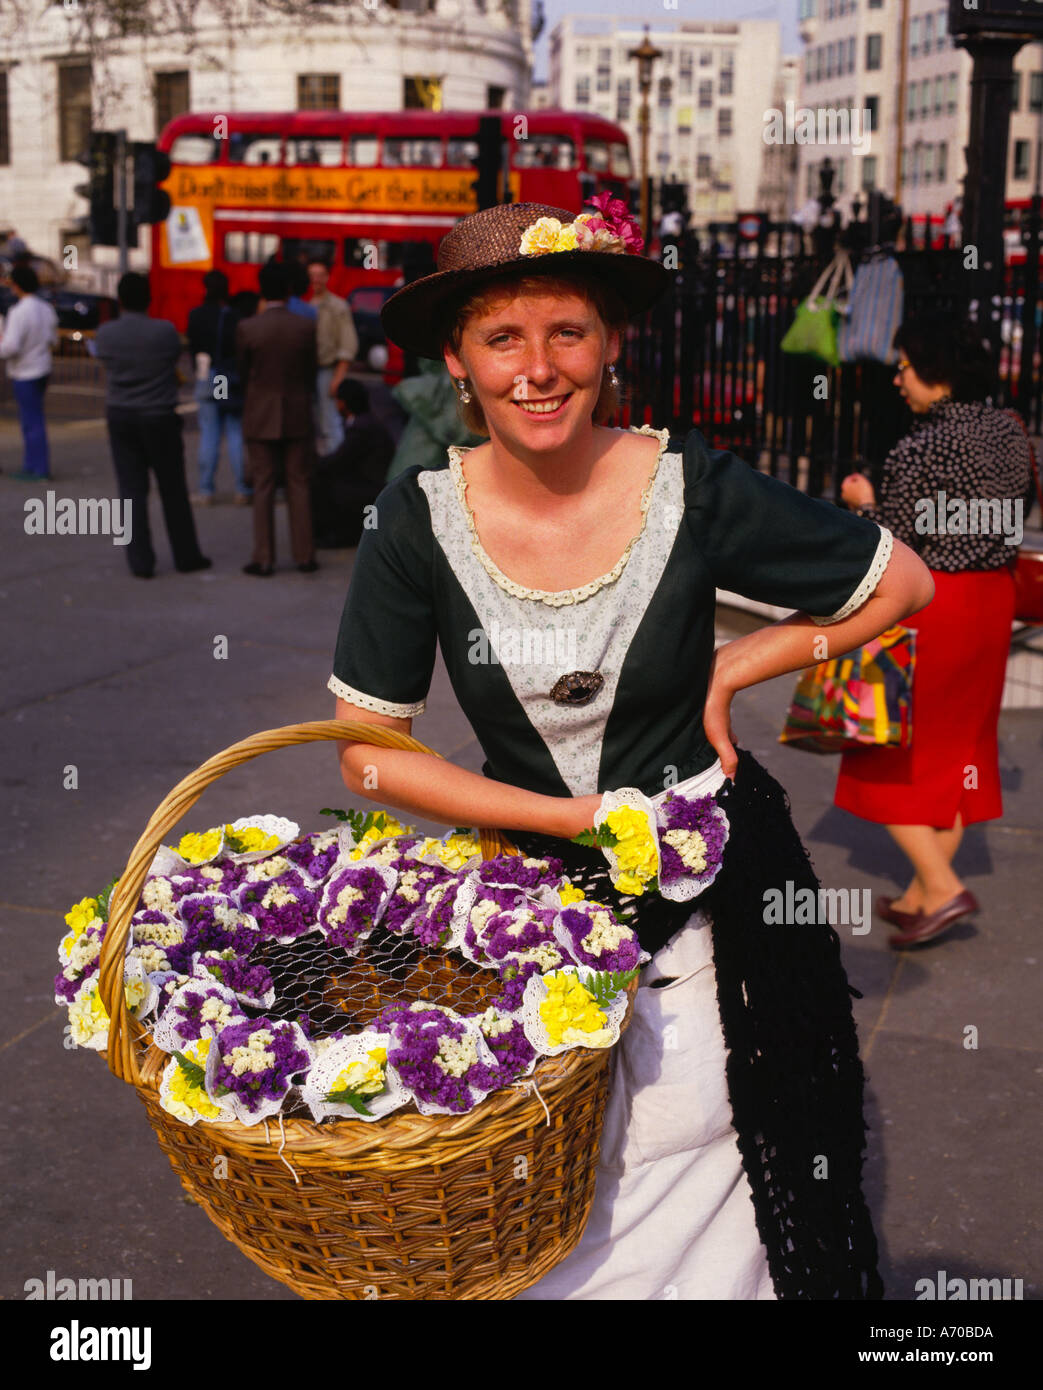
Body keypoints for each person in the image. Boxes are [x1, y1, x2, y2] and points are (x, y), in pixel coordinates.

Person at [327, 202, 935, 1299]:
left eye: (566, 331)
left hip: (717, 905)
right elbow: (366, 753)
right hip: (524, 910)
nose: (538, 368)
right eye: (502, 338)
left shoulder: (689, 482)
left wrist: (738, 665)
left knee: (720, 1147)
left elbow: (902, 581)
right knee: (541, 1191)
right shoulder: (415, 519)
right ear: (457, 361)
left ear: (607, 343)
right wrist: (566, 820)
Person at [839, 313, 1030, 948]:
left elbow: (892, 546)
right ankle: (924, 894)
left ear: (935, 373)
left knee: (883, 748)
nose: (897, 380)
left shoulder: (919, 447)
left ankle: (943, 888)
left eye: (904, 368)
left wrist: (862, 503)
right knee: (958, 751)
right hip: (992, 599)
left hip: (932, 605)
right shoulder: (1011, 432)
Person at [92, 272, 210, 579]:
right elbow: (172, 360)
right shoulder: (165, 331)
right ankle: (186, 555)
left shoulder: (106, 333)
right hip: (159, 415)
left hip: (121, 414)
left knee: (131, 490)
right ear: (149, 298)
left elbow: (104, 360)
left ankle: (140, 561)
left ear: (120, 299)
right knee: (173, 489)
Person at [236, 260, 319, 575]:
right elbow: (310, 372)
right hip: (297, 410)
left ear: (261, 290)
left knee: (263, 485)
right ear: (289, 290)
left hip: (260, 413)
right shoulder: (305, 327)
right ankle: (304, 555)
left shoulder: (248, 328)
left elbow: (243, 373)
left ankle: (263, 557)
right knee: (299, 483)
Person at [186, 269, 250, 506]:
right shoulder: (233, 316)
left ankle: (206, 489)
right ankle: (242, 488)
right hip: (227, 377)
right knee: (235, 433)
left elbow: (193, 347)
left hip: (206, 375)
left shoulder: (196, 315)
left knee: (209, 434)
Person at [312, 378, 395, 547]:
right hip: (373, 482)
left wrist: (313, 464)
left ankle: (335, 536)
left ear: (343, 403)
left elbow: (339, 460)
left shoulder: (361, 428)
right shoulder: (367, 422)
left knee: (320, 483)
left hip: (370, 485)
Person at [0, 263, 59, 480]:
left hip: (24, 371)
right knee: (35, 419)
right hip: (42, 367)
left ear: (16, 285)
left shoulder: (18, 312)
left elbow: (10, 347)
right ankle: (34, 465)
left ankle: (36, 467)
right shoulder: (46, 308)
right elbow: (54, 340)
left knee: (30, 422)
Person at [307, 255, 359, 454]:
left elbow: (348, 344)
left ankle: (335, 464)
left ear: (327, 277)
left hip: (327, 371)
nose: (316, 279)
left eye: (320, 275)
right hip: (306, 371)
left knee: (330, 423)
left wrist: (338, 377)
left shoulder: (338, 306)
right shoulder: (303, 304)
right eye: (312, 275)